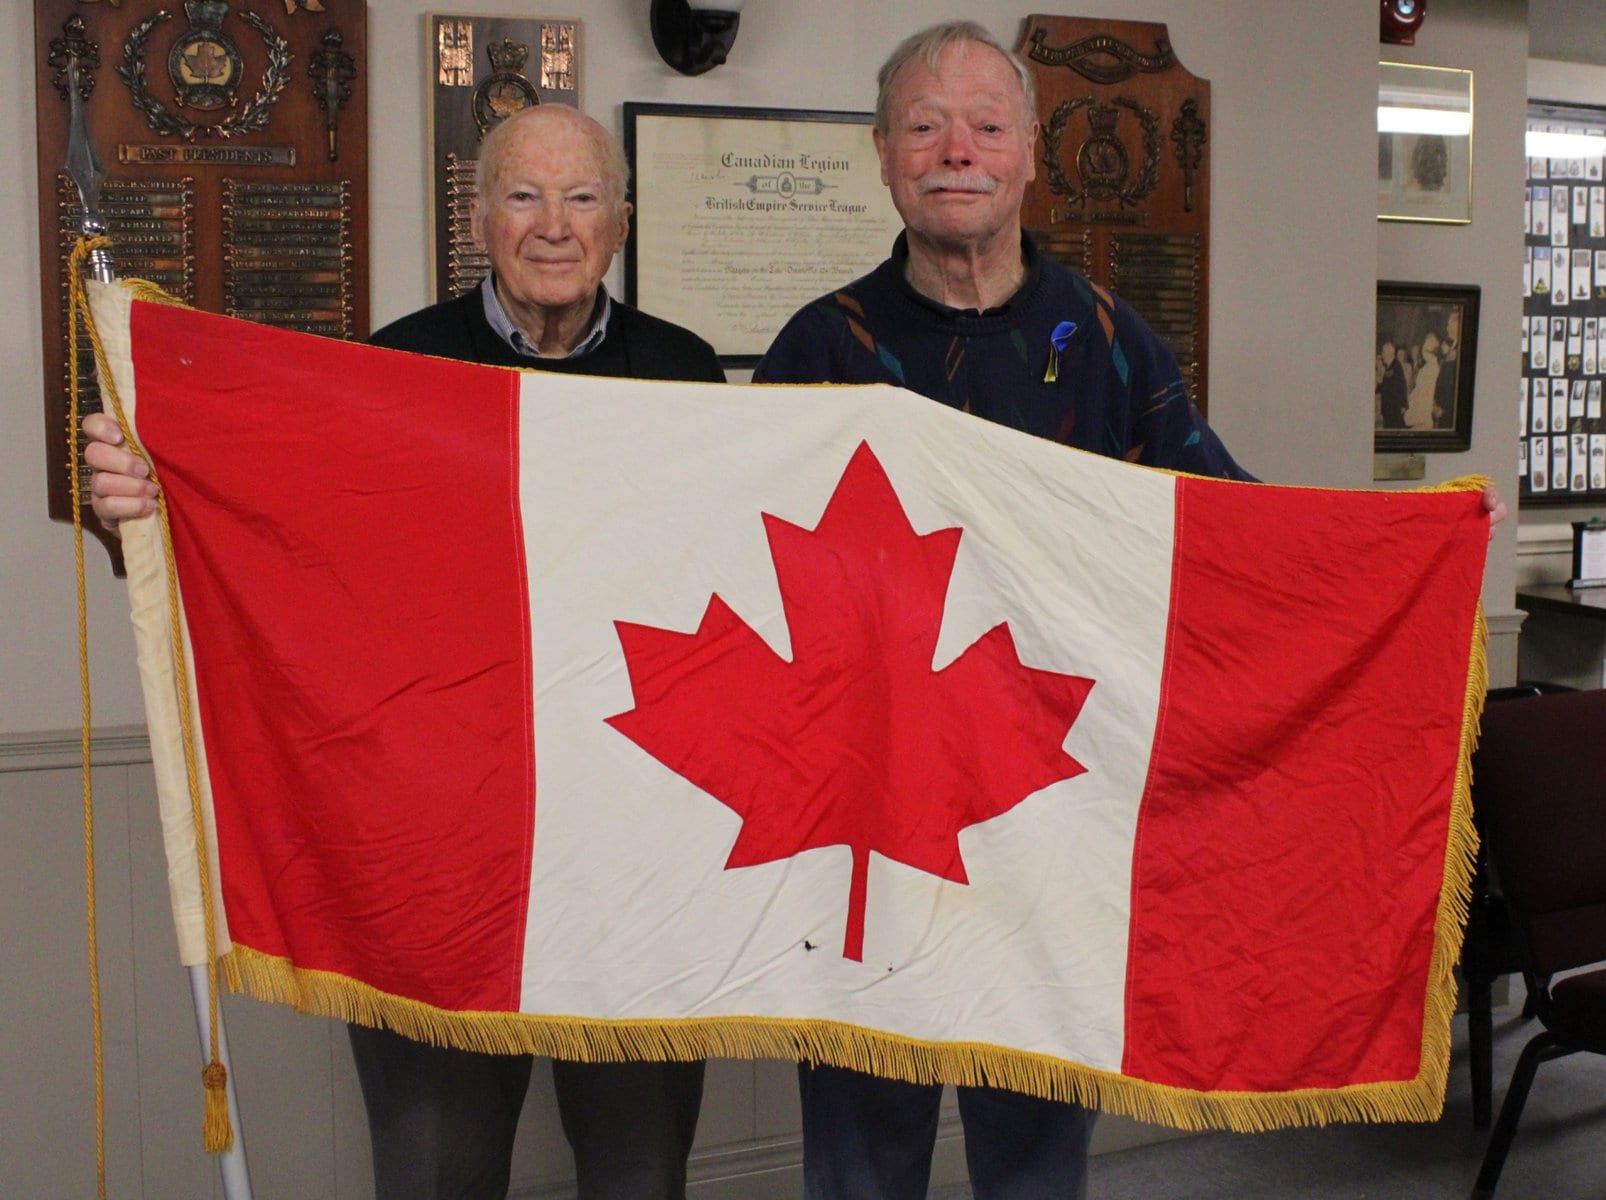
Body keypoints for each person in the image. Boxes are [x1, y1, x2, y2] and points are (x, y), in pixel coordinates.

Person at [753, 20, 1505, 1200]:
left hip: (1050, 809)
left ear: (1030, 154)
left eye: (986, 126)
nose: (956, 151)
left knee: (1035, 1164)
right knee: (861, 1162)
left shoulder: (1105, 338)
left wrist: (1401, 548)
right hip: (869, 820)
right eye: (923, 126)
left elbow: (1230, 525)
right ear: (884, 154)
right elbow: (744, 569)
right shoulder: (818, 349)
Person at [83, 102, 721, 1200]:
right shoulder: (393, 368)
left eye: (581, 198)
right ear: (479, 218)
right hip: (431, 861)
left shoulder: (688, 375)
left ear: (621, 219)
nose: (554, 225)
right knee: (437, 1175)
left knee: (640, 1176)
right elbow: (281, 560)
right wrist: (142, 506)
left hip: (633, 858)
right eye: (524, 195)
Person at [1378, 341, 1408, 428]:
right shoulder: (1389, 366)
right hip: (1389, 408)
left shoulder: (1395, 366)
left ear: (1389, 353)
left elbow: (1402, 385)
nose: (1382, 354)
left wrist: (1403, 405)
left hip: (1394, 408)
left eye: (1383, 352)